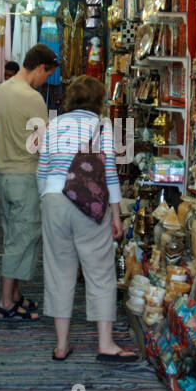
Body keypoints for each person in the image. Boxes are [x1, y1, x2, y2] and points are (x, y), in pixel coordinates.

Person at [36, 75, 136, 362]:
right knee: (100, 271)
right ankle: (105, 344)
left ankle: (61, 345)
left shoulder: (52, 124)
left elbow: (42, 170)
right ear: (99, 100)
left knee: (58, 271)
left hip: (55, 200)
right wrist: (116, 214)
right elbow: (109, 173)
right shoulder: (102, 126)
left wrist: (47, 198)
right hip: (89, 206)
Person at [0, 44, 58, 322]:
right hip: (24, 176)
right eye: (48, 75)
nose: (46, 81)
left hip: (3, 174)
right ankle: (6, 301)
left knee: (13, 236)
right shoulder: (33, 98)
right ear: (41, 68)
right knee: (22, 240)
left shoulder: (3, 89)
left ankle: (15, 295)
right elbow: (44, 145)